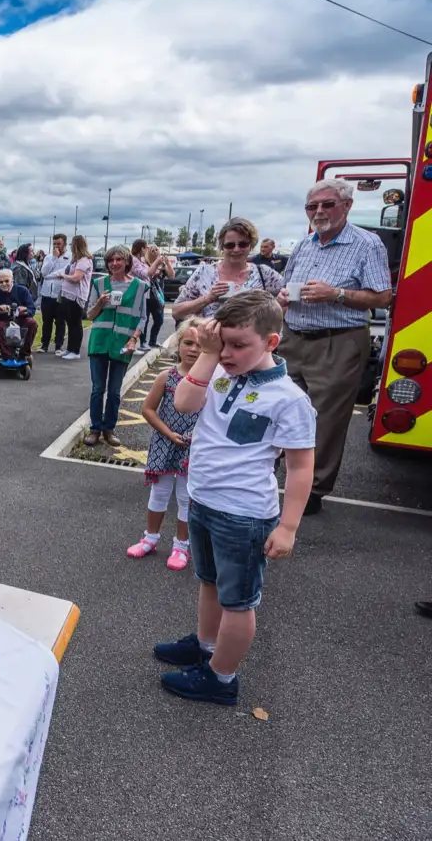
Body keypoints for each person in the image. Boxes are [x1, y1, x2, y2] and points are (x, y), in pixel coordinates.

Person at [154, 291, 316, 705]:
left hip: (243, 515)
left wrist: (288, 527)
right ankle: (207, 647)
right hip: (204, 502)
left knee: (238, 602)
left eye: (239, 345)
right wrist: (210, 355)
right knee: (208, 584)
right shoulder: (222, 372)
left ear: (271, 342)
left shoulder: (289, 399)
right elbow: (184, 403)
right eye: (222, 341)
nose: (228, 352)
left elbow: (300, 467)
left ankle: (222, 679)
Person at [275, 180, 391, 516]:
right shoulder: (304, 245)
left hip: (337, 341)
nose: (319, 212)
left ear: (347, 206)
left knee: (324, 420)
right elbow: (286, 286)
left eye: (327, 205)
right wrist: (283, 297)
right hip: (294, 337)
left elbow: (383, 297)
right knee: (279, 409)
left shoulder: (367, 245)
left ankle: (312, 490)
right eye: (313, 207)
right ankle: (269, 474)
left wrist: (336, 294)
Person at [127, 318, 203, 570]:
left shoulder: (212, 381)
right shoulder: (166, 377)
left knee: (186, 496)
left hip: (194, 447)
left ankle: (181, 546)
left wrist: (195, 434)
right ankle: (150, 538)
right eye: (188, 343)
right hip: (164, 442)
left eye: (200, 345)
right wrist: (168, 433)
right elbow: (148, 409)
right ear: (178, 344)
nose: (193, 349)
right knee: (159, 493)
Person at [83, 244, 146, 447]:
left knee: (115, 390)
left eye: (119, 259)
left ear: (127, 261)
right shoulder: (99, 284)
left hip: (123, 343)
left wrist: (134, 338)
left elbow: (143, 318)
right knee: (97, 388)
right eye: (111, 260)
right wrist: (100, 303)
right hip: (100, 341)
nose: (114, 263)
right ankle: (95, 429)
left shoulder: (139, 286)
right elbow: (89, 315)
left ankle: (109, 429)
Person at [172, 218, 282, 323]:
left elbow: (287, 296)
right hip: (211, 340)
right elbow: (176, 312)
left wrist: (271, 306)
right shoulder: (204, 272)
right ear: (222, 247)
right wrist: (207, 298)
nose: (236, 249)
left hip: (249, 341)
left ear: (251, 245)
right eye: (230, 245)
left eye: (243, 244)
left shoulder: (263, 273)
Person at [0, 269, 37, 361]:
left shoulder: (23, 291)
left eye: (6, 281)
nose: (4, 284)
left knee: (32, 323)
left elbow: (32, 309)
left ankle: (24, 354)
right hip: (2, 320)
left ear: (12, 279)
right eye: (1, 282)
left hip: (20, 319)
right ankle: (8, 355)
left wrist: (25, 311)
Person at [56, 234, 92, 361]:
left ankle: (75, 350)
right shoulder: (76, 260)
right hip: (68, 295)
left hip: (77, 296)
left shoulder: (84, 261)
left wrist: (63, 276)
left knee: (76, 323)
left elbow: (76, 278)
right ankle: (70, 348)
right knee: (70, 322)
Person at [131, 240, 169, 351]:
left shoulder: (140, 261)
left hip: (148, 294)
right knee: (143, 319)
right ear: (142, 248)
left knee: (152, 319)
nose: (149, 250)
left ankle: (146, 342)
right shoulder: (135, 260)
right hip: (139, 293)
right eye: (147, 248)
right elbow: (146, 273)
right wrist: (157, 262)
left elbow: (169, 274)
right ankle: (140, 343)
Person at [38, 233, 69, 354]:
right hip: (47, 293)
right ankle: (44, 344)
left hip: (60, 293)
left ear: (64, 244)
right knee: (47, 321)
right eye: (54, 244)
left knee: (60, 321)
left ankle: (58, 346)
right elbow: (44, 272)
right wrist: (54, 259)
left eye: (59, 244)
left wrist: (52, 275)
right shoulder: (49, 257)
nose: (56, 246)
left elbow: (64, 272)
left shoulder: (70, 257)